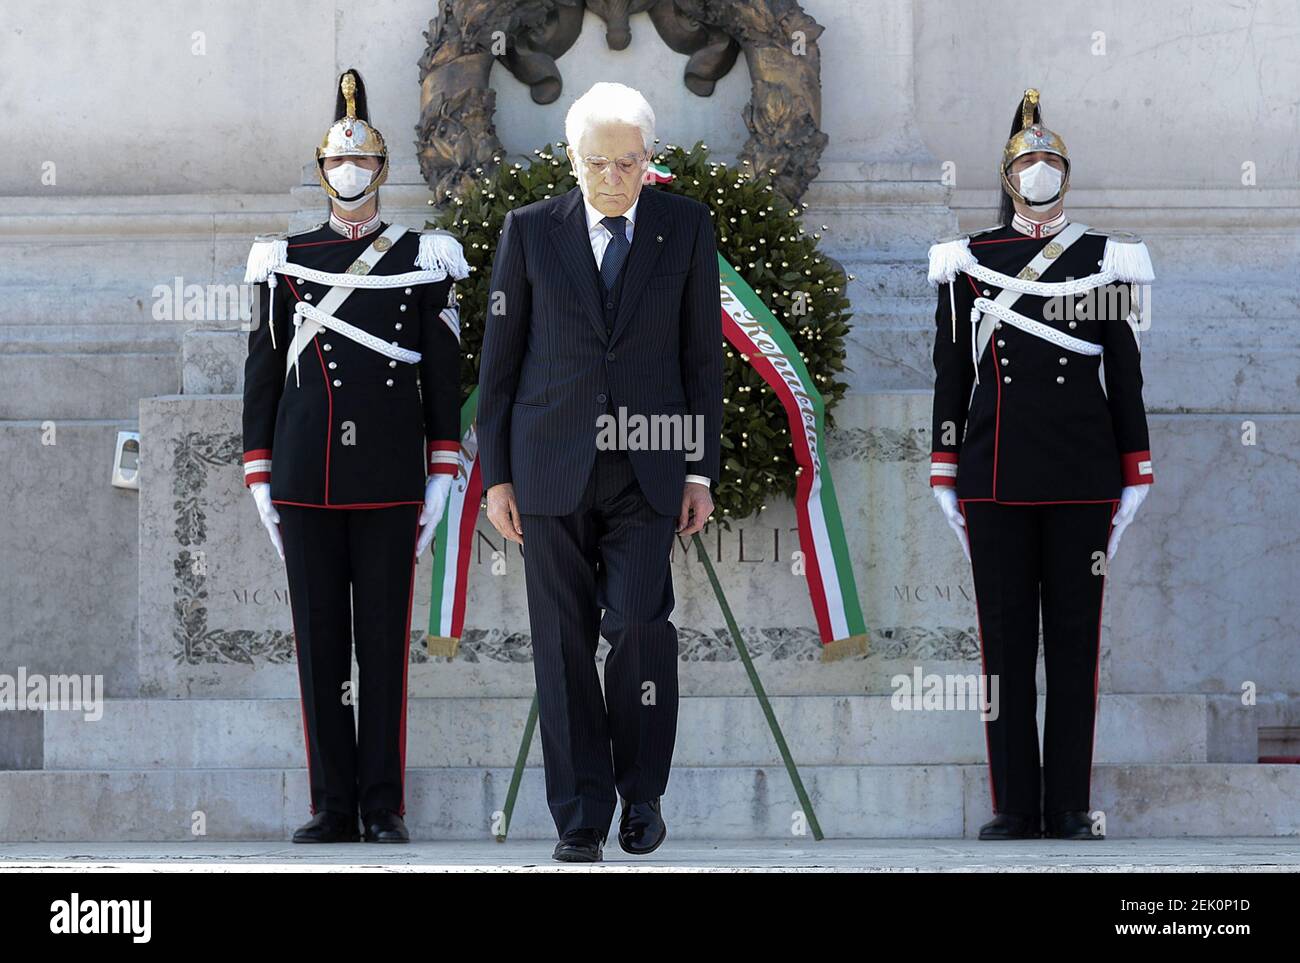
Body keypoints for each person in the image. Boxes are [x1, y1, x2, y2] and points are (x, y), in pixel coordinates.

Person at [477, 81, 723, 862]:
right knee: (560, 641)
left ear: (648, 160)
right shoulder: (529, 231)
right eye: (598, 163)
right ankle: (579, 815)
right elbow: (500, 364)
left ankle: (640, 795)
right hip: (549, 465)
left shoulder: (684, 227)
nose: (613, 177)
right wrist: (497, 476)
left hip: (648, 467)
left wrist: (700, 470)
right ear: (572, 159)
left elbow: (699, 357)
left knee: (642, 628)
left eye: (628, 162)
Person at [241, 69, 468, 844]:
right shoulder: (283, 258)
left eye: (364, 163)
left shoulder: (423, 255)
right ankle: (333, 803)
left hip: (386, 478)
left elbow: (443, 375)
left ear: (381, 171)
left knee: (382, 649)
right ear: (321, 170)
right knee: (321, 649)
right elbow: (263, 370)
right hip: (306, 476)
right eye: (339, 163)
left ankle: (383, 802)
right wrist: (258, 470)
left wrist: (443, 470)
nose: (350, 174)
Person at [927, 88, 1155, 840]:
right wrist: (944, 463)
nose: (1039, 171)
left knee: (1074, 647)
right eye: (1027, 160)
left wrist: (1135, 469)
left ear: (1067, 172)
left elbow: (1123, 374)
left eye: (1050, 160)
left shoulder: (1105, 259)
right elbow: (950, 374)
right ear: (1007, 172)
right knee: (1005, 650)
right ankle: (1015, 805)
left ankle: (1068, 804)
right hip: (994, 477)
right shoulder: (968, 261)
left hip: (1082, 476)